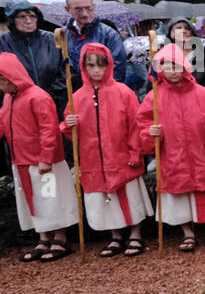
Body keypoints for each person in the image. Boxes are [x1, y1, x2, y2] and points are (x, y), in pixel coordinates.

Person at [60, 43, 152, 257]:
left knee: (129, 197)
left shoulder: (124, 92)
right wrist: (68, 125)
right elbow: (68, 130)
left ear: (109, 65)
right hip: (93, 159)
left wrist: (135, 152)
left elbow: (135, 125)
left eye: (100, 65)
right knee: (105, 198)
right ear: (83, 67)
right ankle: (116, 236)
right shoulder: (77, 97)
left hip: (121, 156)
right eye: (90, 66)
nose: (96, 70)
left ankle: (135, 234)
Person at [139, 43, 205, 251]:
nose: (172, 71)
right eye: (167, 67)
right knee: (177, 193)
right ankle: (187, 232)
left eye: (176, 66)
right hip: (172, 154)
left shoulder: (201, 92)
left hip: (200, 152)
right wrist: (150, 133)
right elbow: (143, 124)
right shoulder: (154, 96)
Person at [0, 51, 78, 261]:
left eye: (2, 80)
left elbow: (49, 129)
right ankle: (43, 238)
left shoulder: (38, 96)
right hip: (21, 160)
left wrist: (45, 157)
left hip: (43, 161)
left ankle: (60, 238)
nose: (1, 86)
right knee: (33, 201)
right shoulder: (9, 98)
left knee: (51, 198)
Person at [0, 2, 63, 113]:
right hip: (17, 108)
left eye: (32, 16)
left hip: (52, 104)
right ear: (13, 19)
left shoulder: (50, 39)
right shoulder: (3, 42)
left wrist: (49, 96)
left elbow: (66, 71)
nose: (28, 21)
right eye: (22, 16)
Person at [62, 0, 126, 98]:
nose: (85, 14)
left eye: (88, 8)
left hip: (104, 96)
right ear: (68, 10)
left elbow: (117, 70)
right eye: (78, 9)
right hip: (75, 99)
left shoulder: (109, 35)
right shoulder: (63, 36)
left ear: (94, 6)